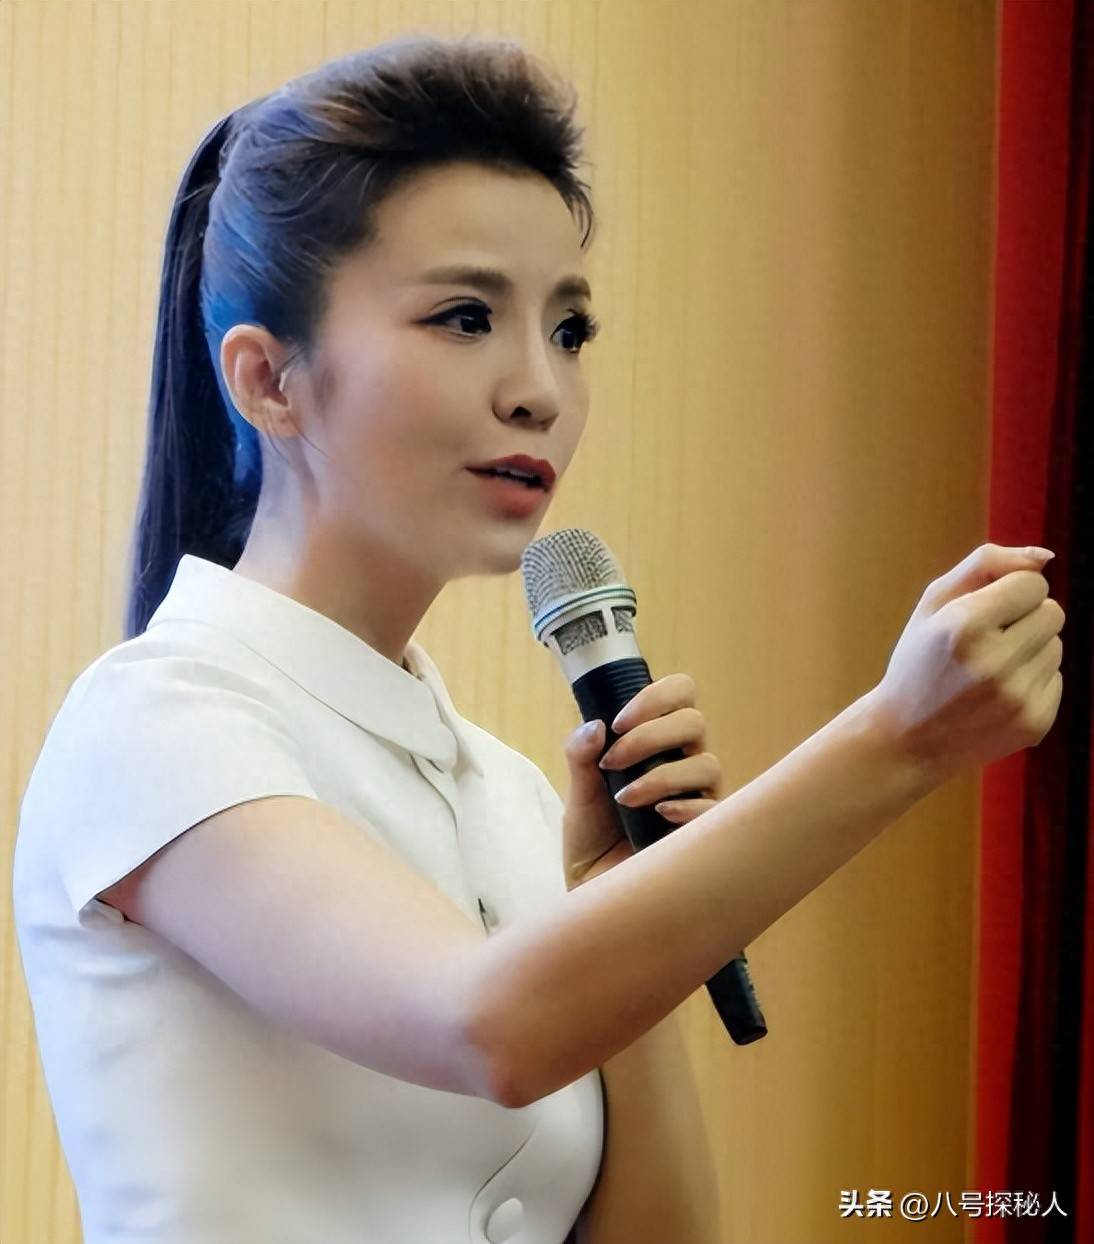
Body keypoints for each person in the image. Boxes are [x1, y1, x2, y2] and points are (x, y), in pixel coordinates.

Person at [11, 32, 1065, 1244]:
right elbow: (482, 1023)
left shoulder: (513, 800)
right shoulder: (152, 723)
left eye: (568, 330)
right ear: (267, 381)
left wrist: (625, 910)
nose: (539, 390)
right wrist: (895, 739)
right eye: (465, 316)